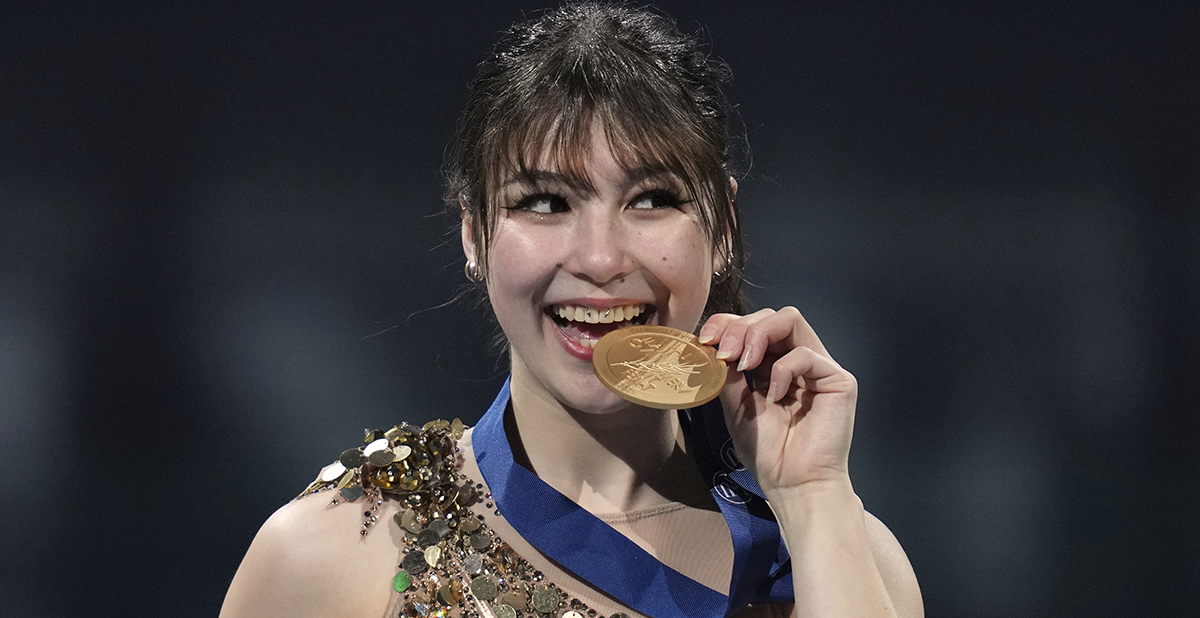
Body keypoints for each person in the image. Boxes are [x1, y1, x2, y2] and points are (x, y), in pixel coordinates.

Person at [221, 3, 922, 617]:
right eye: (544, 202)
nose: (600, 257)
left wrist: (812, 496)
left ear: (723, 229)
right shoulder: (337, 553)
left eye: (652, 199)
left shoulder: (839, 557)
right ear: (474, 235)